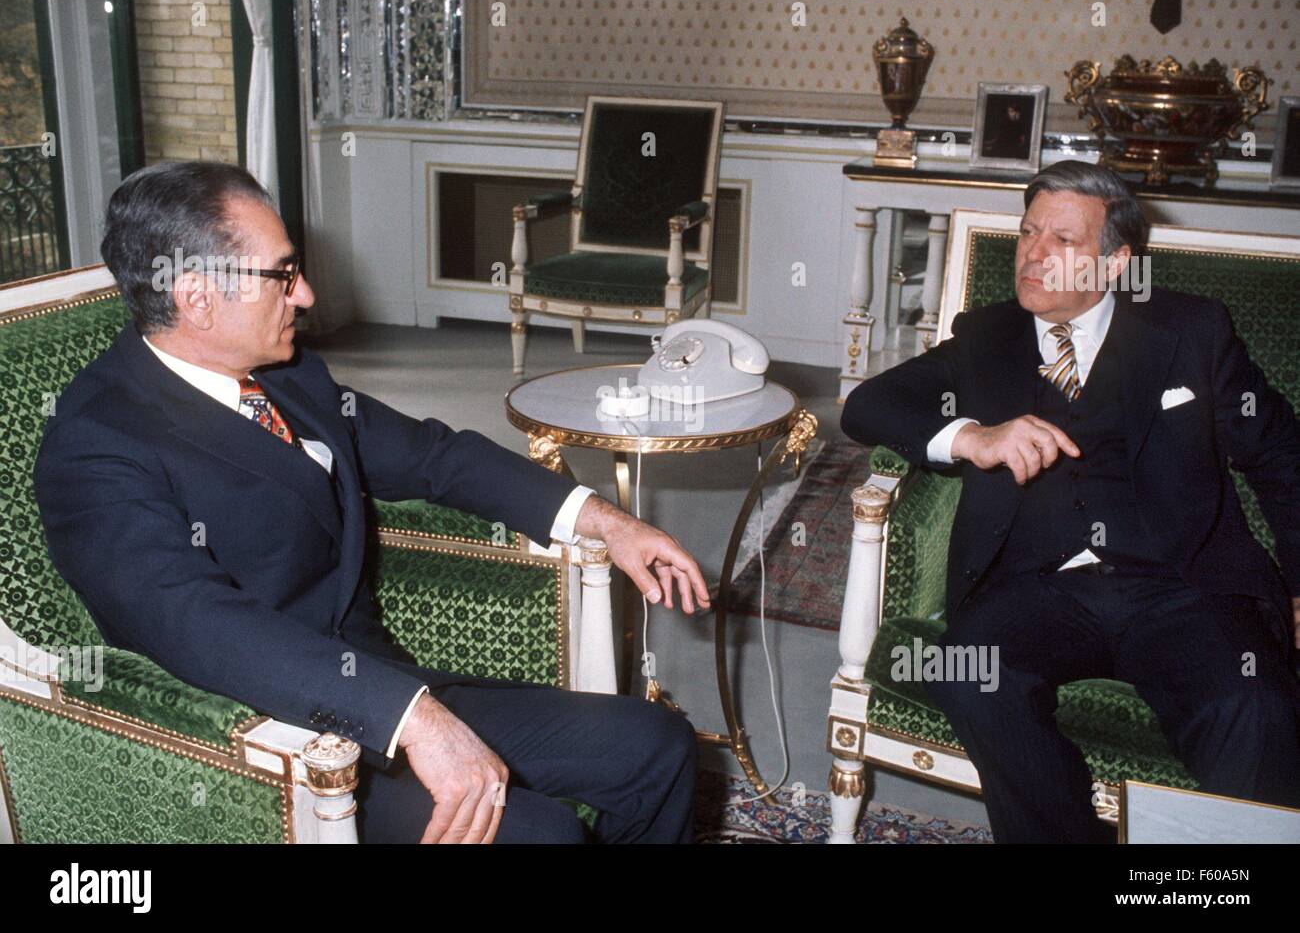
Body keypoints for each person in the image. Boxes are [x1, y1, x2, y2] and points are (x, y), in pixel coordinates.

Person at [35, 161, 713, 844]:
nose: (306, 294)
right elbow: (198, 623)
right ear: (199, 298)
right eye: (282, 274)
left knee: (655, 744)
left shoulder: (287, 373)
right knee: (541, 835)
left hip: (383, 686)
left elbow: (431, 457)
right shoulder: (97, 444)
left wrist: (604, 520)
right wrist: (410, 717)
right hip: (270, 741)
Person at [841, 159, 1300, 842]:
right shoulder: (987, 338)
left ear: (1116, 264)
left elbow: (1282, 455)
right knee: (969, 674)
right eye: (1029, 233)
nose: (1034, 254)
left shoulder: (1192, 334)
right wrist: (972, 437)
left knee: (1252, 704)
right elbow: (866, 404)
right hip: (1034, 588)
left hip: (1183, 588)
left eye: (1064, 241)